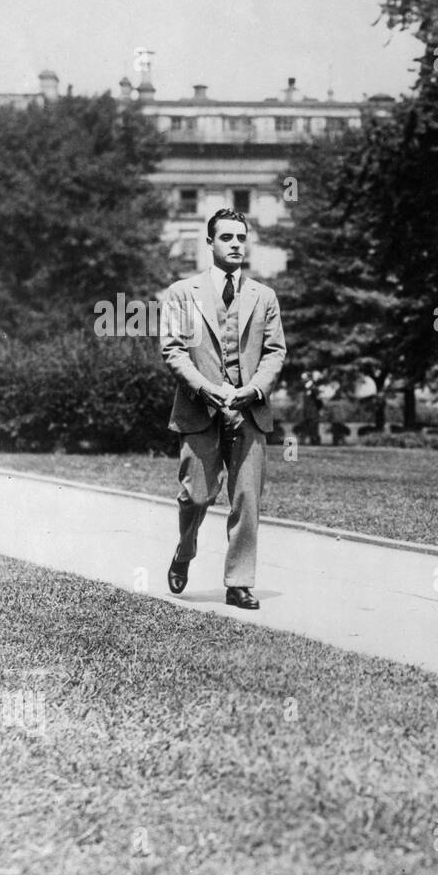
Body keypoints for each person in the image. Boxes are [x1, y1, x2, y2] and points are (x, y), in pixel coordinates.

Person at [161, 209, 287, 610]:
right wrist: (205, 389)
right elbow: (173, 349)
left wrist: (252, 390)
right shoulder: (182, 293)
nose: (236, 244)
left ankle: (238, 582)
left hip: (249, 411)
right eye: (227, 237)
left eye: (241, 237)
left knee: (247, 498)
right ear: (210, 243)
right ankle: (185, 550)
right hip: (201, 409)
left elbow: (274, 351)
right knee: (195, 496)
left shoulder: (264, 296)